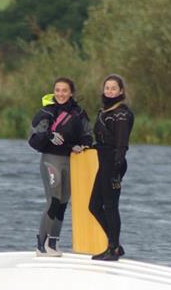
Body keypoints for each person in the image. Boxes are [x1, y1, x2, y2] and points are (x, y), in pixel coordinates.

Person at [28, 77, 93, 257]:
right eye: (57, 90)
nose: (60, 94)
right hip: (51, 159)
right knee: (53, 201)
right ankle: (40, 245)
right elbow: (33, 138)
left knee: (63, 203)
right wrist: (48, 135)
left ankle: (53, 243)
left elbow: (88, 134)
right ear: (53, 92)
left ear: (71, 92)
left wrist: (83, 145)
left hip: (70, 161)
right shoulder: (46, 112)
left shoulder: (79, 113)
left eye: (64, 91)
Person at [89, 74, 134, 261]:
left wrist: (116, 169)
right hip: (104, 162)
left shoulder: (121, 113)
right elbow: (103, 140)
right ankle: (115, 244)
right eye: (107, 88)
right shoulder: (106, 111)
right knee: (94, 206)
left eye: (113, 88)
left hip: (114, 163)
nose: (109, 91)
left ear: (121, 91)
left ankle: (113, 248)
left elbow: (121, 143)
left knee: (110, 206)